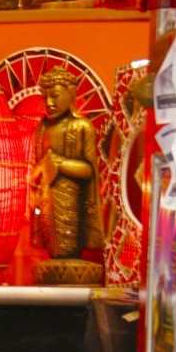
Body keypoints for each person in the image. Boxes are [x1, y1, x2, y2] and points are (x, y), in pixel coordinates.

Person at [29, 67, 103, 261]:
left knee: (70, 251)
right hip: (47, 202)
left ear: (70, 95)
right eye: (44, 98)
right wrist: (44, 165)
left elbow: (89, 170)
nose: (49, 103)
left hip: (73, 205)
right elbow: (33, 173)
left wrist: (60, 163)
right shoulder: (40, 130)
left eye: (55, 96)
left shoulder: (81, 127)